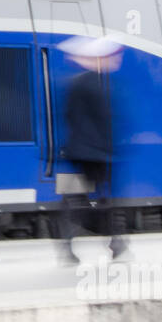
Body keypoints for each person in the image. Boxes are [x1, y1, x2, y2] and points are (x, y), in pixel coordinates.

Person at [55, 36, 127, 265]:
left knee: (75, 200)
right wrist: (113, 148)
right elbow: (106, 120)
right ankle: (115, 243)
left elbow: (68, 116)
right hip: (97, 154)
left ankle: (68, 246)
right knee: (105, 201)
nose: (116, 61)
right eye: (113, 57)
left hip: (76, 152)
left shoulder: (75, 82)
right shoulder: (97, 84)